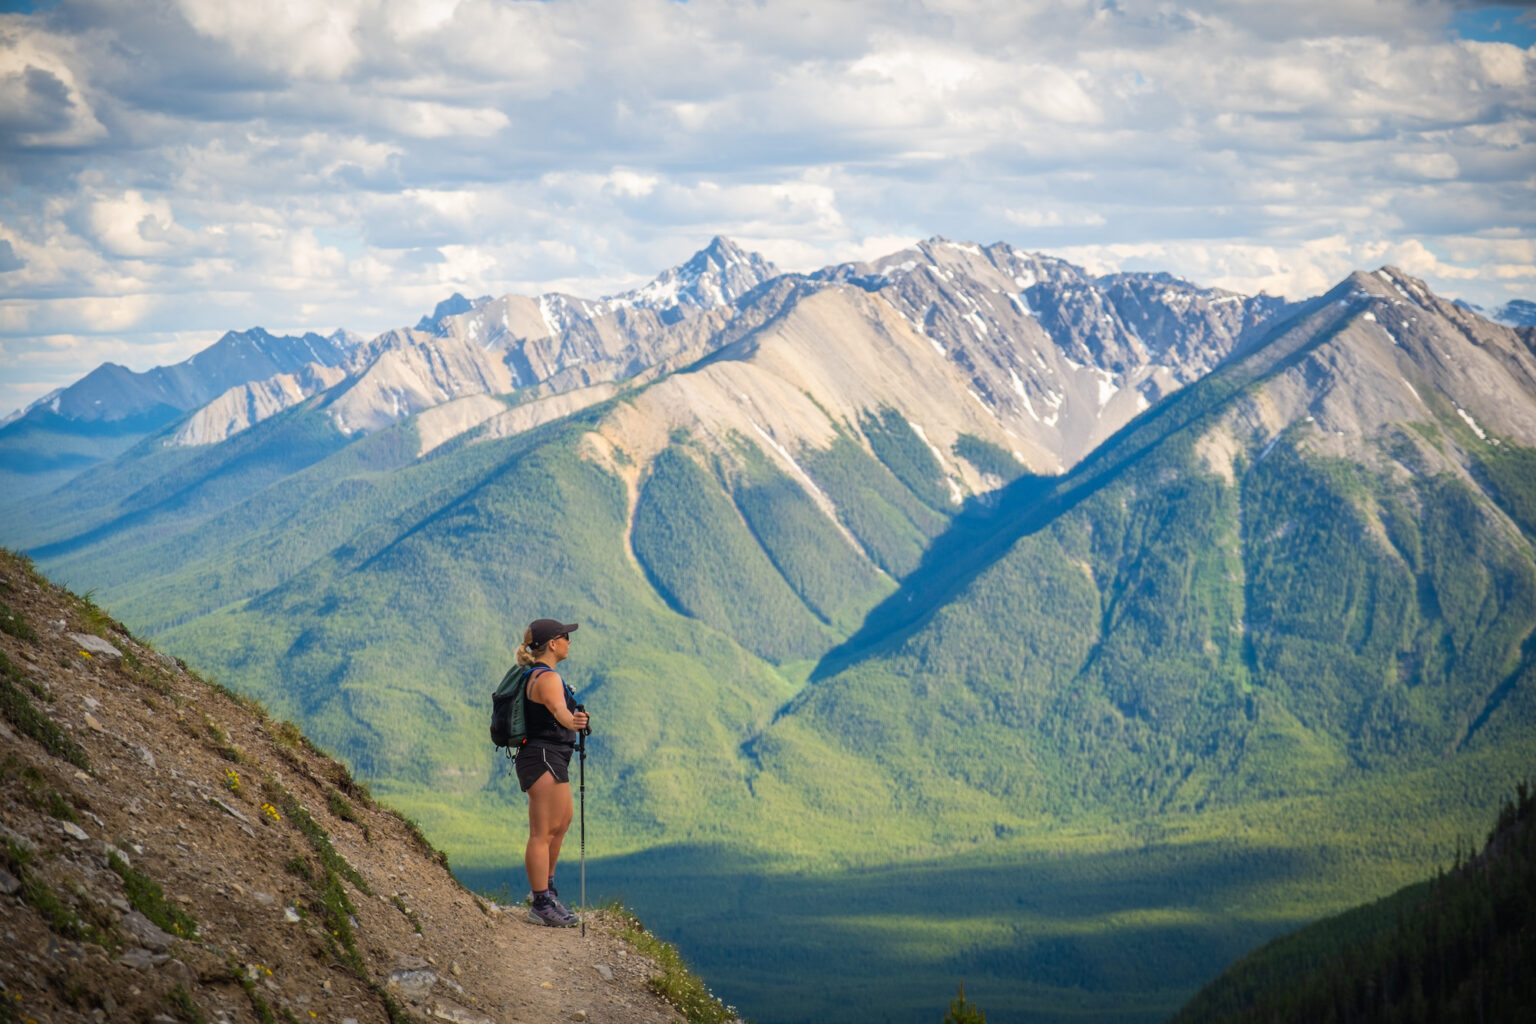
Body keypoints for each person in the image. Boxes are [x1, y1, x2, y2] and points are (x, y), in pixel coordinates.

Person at [513, 617, 590, 927]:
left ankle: (548, 891)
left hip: (551, 757)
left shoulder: (541, 675)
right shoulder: (546, 679)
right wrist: (574, 722)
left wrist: (572, 721)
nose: (570, 642)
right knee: (543, 831)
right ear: (553, 644)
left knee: (561, 823)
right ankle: (541, 900)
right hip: (542, 757)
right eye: (565, 637)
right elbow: (559, 712)